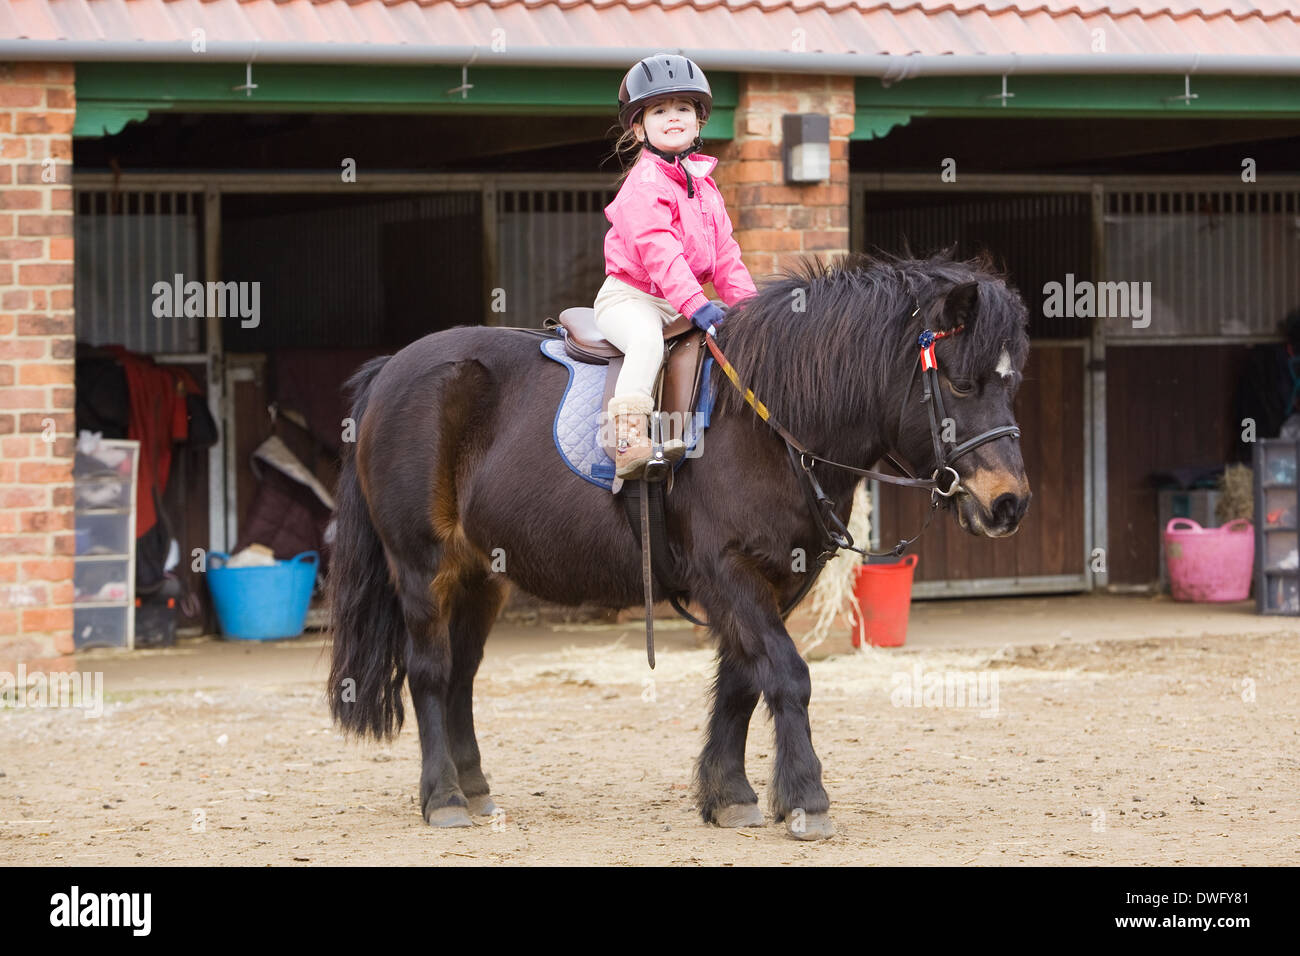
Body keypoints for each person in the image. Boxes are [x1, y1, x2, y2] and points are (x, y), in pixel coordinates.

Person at [597, 53, 758, 479]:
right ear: (638, 126)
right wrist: (696, 303)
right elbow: (659, 251)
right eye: (660, 110)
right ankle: (628, 438)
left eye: (684, 108)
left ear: (699, 121)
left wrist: (753, 312)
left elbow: (726, 257)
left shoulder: (705, 188)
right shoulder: (645, 185)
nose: (674, 117)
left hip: (680, 304)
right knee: (648, 342)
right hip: (632, 299)